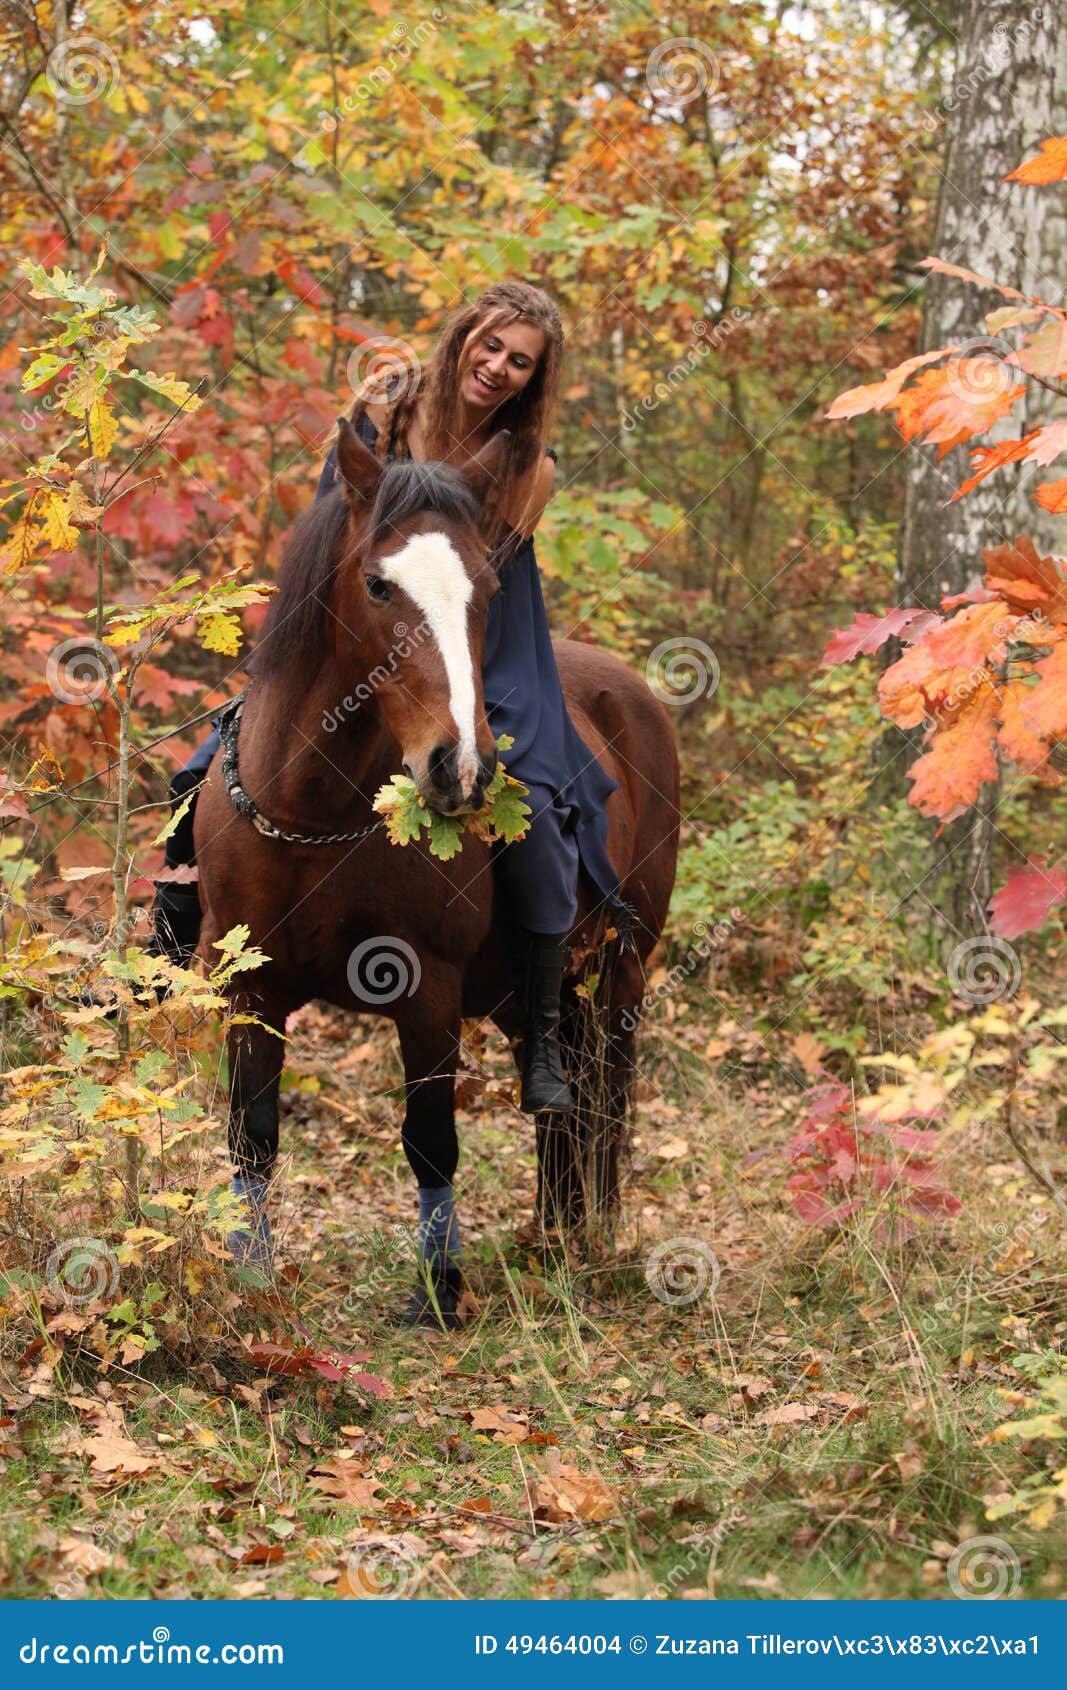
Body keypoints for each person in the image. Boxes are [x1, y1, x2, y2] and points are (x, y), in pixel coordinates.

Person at [148, 280, 629, 1125]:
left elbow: (475, 572)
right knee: (210, 760)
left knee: (543, 790)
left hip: (477, 622)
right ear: (462, 339)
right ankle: (168, 947)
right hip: (372, 607)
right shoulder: (386, 404)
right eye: (490, 346)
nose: (498, 368)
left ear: (534, 379)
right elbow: (331, 520)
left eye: (520, 363)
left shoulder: (528, 464)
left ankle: (544, 1035)